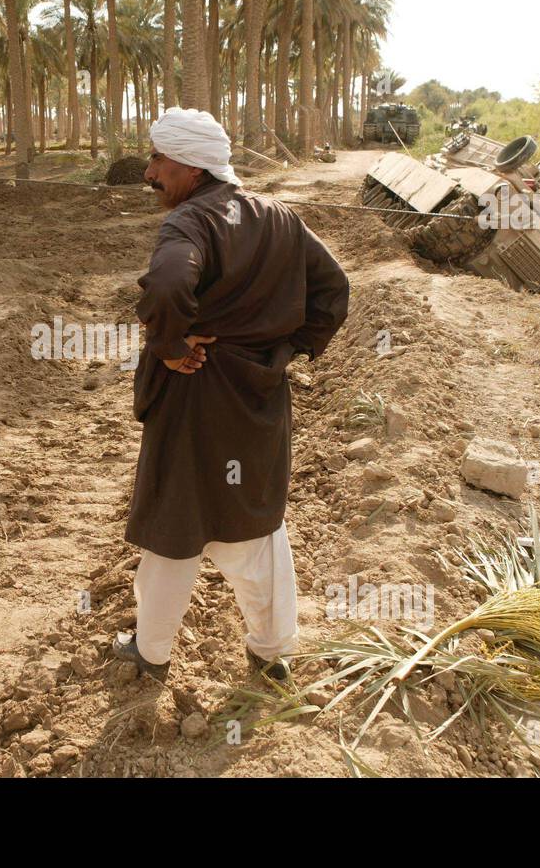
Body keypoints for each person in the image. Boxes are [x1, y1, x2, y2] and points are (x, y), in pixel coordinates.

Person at [113, 107, 350, 683]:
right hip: (257, 396)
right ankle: (272, 654)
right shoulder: (279, 217)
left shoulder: (188, 223)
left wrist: (169, 345)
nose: (149, 173)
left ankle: (151, 652)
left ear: (191, 167)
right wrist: (284, 352)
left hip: (194, 395)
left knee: (177, 524)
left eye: (158, 160)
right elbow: (333, 288)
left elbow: (169, 282)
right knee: (257, 526)